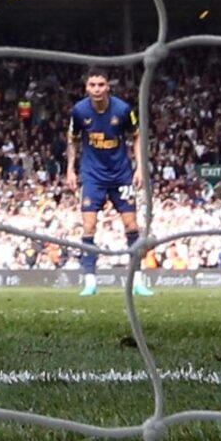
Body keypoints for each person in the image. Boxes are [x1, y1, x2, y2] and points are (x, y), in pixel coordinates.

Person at [68, 71, 153, 298]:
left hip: (121, 175)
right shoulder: (79, 111)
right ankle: (89, 281)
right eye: (92, 84)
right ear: (86, 87)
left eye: (101, 84)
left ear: (108, 87)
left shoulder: (123, 110)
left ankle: (137, 280)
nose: (96, 88)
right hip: (92, 176)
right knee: (88, 227)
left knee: (132, 226)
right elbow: (73, 140)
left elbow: (137, 136)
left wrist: (140, 167)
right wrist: (70, 169)